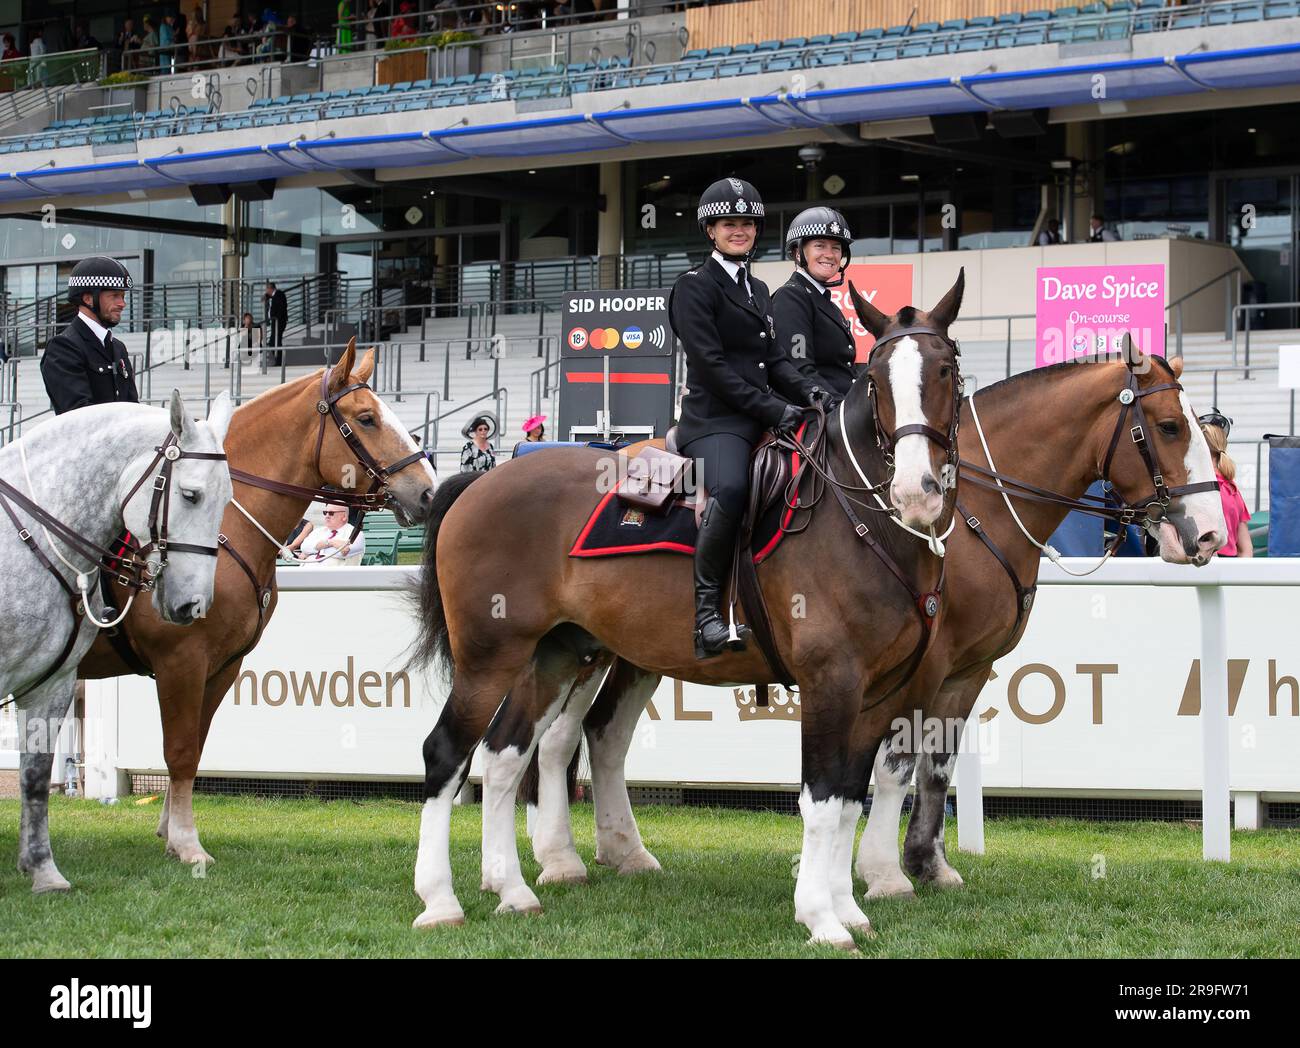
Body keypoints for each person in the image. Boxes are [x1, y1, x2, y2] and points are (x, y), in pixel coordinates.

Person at [670, 177, 826, 660]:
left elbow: (776, 360)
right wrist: (774, 408)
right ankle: (706, 617)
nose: (739, 231)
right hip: (715, 422)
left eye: (746, 223)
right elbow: (713, 369)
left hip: (762, 417)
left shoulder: (759, 289)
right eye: (728, 223)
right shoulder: (694, 288)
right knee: (733, 489)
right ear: (711, 230)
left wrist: (813, 393)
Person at [771, 206, 858, 401]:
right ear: (798, 253)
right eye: (820, 245)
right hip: (817, 411)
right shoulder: (791, 297)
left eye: (836, 248)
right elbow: (799, 368)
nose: (830, 254)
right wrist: (840, 406)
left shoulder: (828, 304)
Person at [41, 257, 139, 415]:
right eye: (114, 296)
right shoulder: (63, 347)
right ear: (88, 299)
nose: (122, 304)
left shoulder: (118, 347)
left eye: (123, 296)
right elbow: (78, 415)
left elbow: (133, 408)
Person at [1199, 410, 1253, 559]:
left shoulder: (1199, 489)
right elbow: (1246, 549)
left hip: (1206, 564)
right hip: (1230, 566)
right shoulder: (1232, 488)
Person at [296, 504, 365, 563]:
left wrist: (315, 550)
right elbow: (304, 547)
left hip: (338, 576)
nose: (327, 516)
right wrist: (331, 543)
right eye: (325, 512)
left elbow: (344, 552)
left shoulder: (356, 534)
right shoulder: (318, 531)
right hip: (309, 573)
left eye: (331, 513)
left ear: (344, 516)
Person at [263, 280, 288, 367]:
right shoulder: (273, 296)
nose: (266, 291)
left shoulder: (279, 294)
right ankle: (278, 360)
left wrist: (276, 318)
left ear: (270, 288)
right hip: (275, 322)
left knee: (275, 341)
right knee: (273, 341)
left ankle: (279, 361)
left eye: (266, 289)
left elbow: (281, 308)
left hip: (279, 322)